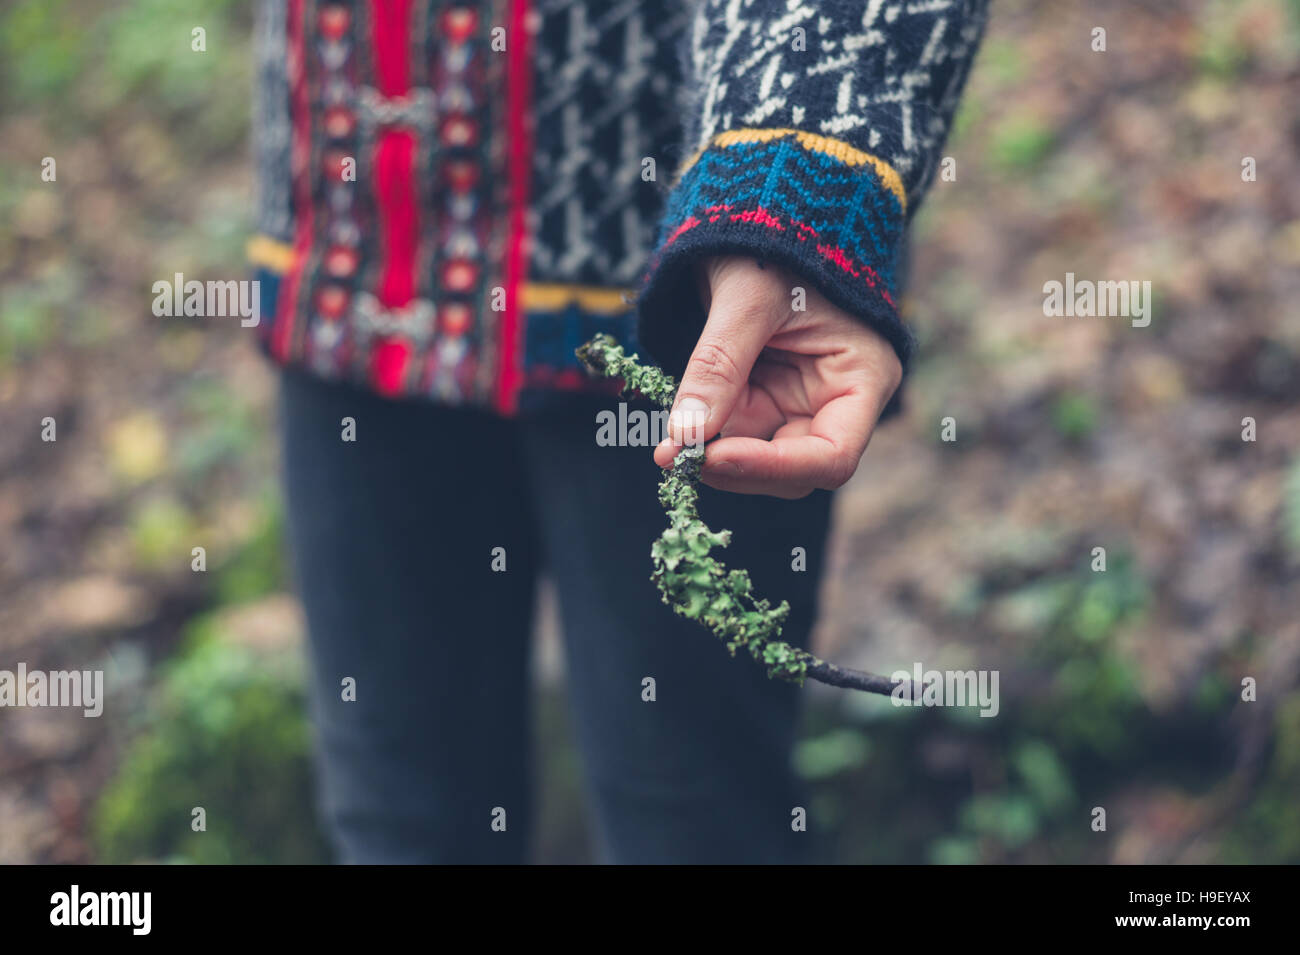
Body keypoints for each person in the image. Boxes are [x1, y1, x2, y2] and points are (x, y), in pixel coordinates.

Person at [247, 0, 989, 863]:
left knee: (695, 819)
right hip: (359, 249)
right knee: (396, 820)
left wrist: (793, 186)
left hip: (698, 299)